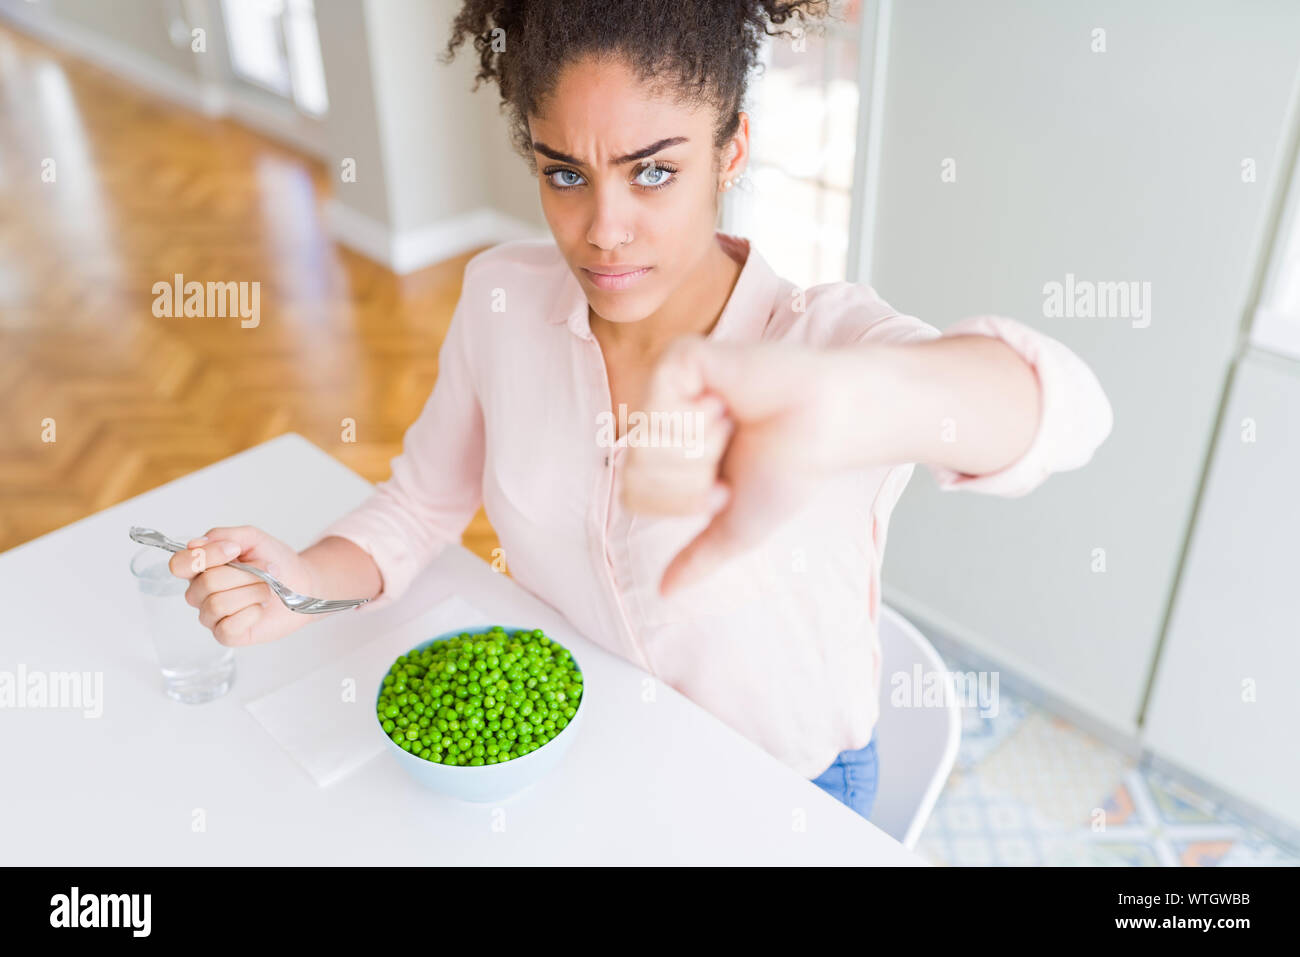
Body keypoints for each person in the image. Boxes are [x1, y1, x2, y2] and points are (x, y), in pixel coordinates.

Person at [169, 0, 1113, 823]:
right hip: (584, 746)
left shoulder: (823, 341)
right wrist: (304, 582)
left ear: (731, 147)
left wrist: (845, 402)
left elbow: (1060, 411)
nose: (603, 230)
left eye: (653, 171)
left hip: (786, 789)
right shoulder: (501, 297)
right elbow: (420, 506)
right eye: (565, 173)